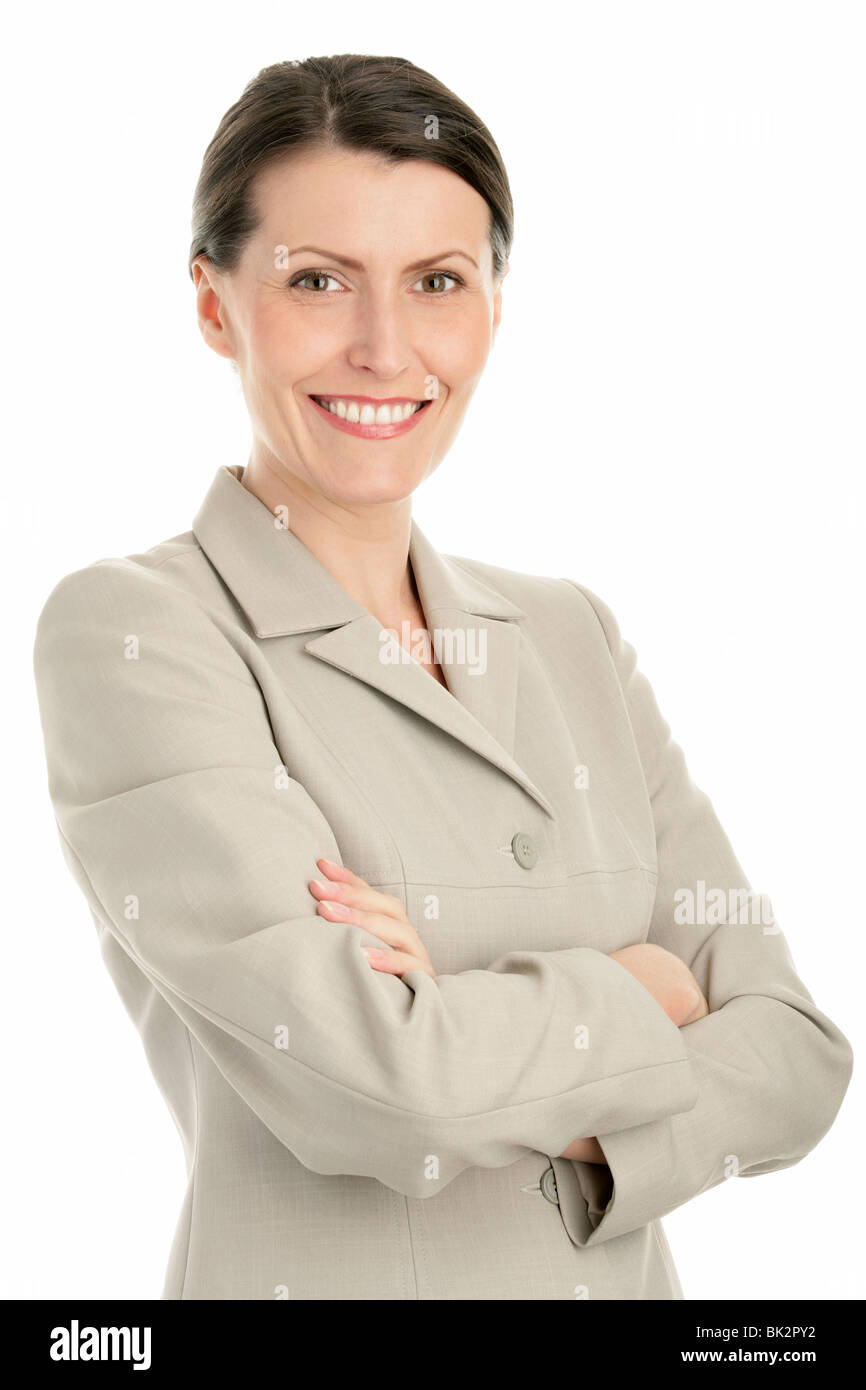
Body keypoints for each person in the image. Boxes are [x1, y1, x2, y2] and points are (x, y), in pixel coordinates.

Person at [33, 54, 853, 1301]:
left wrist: (454, 1014)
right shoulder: (138, 634)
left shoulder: (568, 632)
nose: (383, 347)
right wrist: (645, 990)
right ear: (214, 305)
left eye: (436, 283)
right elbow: (370, 1093)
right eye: (316, 281)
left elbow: (795, 1058)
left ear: (491, 306)